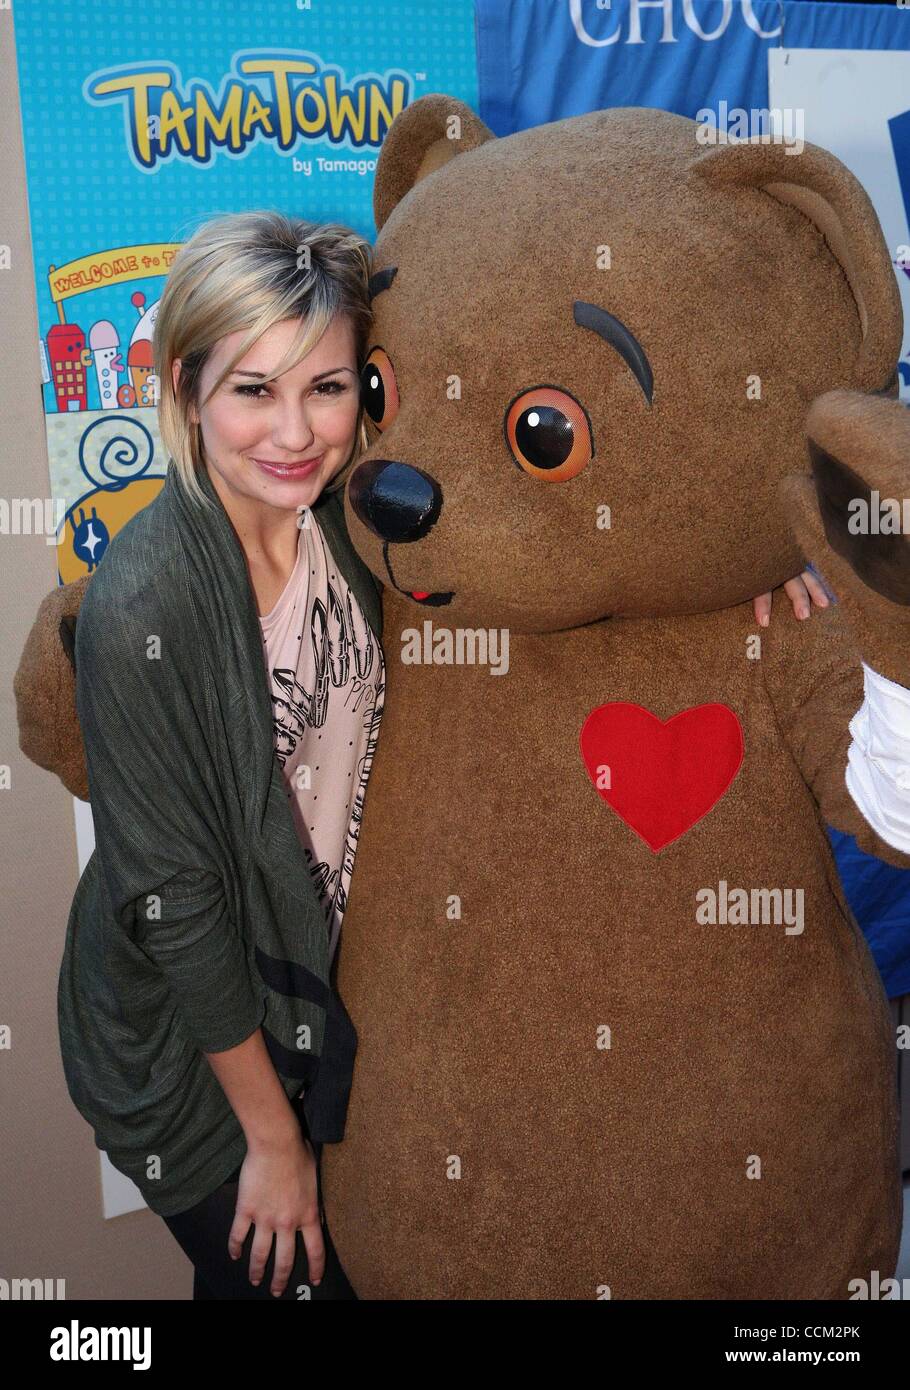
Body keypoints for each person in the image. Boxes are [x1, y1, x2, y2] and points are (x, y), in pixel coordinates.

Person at [55, 208, 826, 1303]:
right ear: (186, 389)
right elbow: (173, 903)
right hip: (190, 1045)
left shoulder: (344, 523)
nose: (295, 432)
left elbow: (523, 587)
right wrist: (271, 1144)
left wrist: (742, 582)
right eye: (252, 390)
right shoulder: (154, 594)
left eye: (326, 388)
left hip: (316, 996)